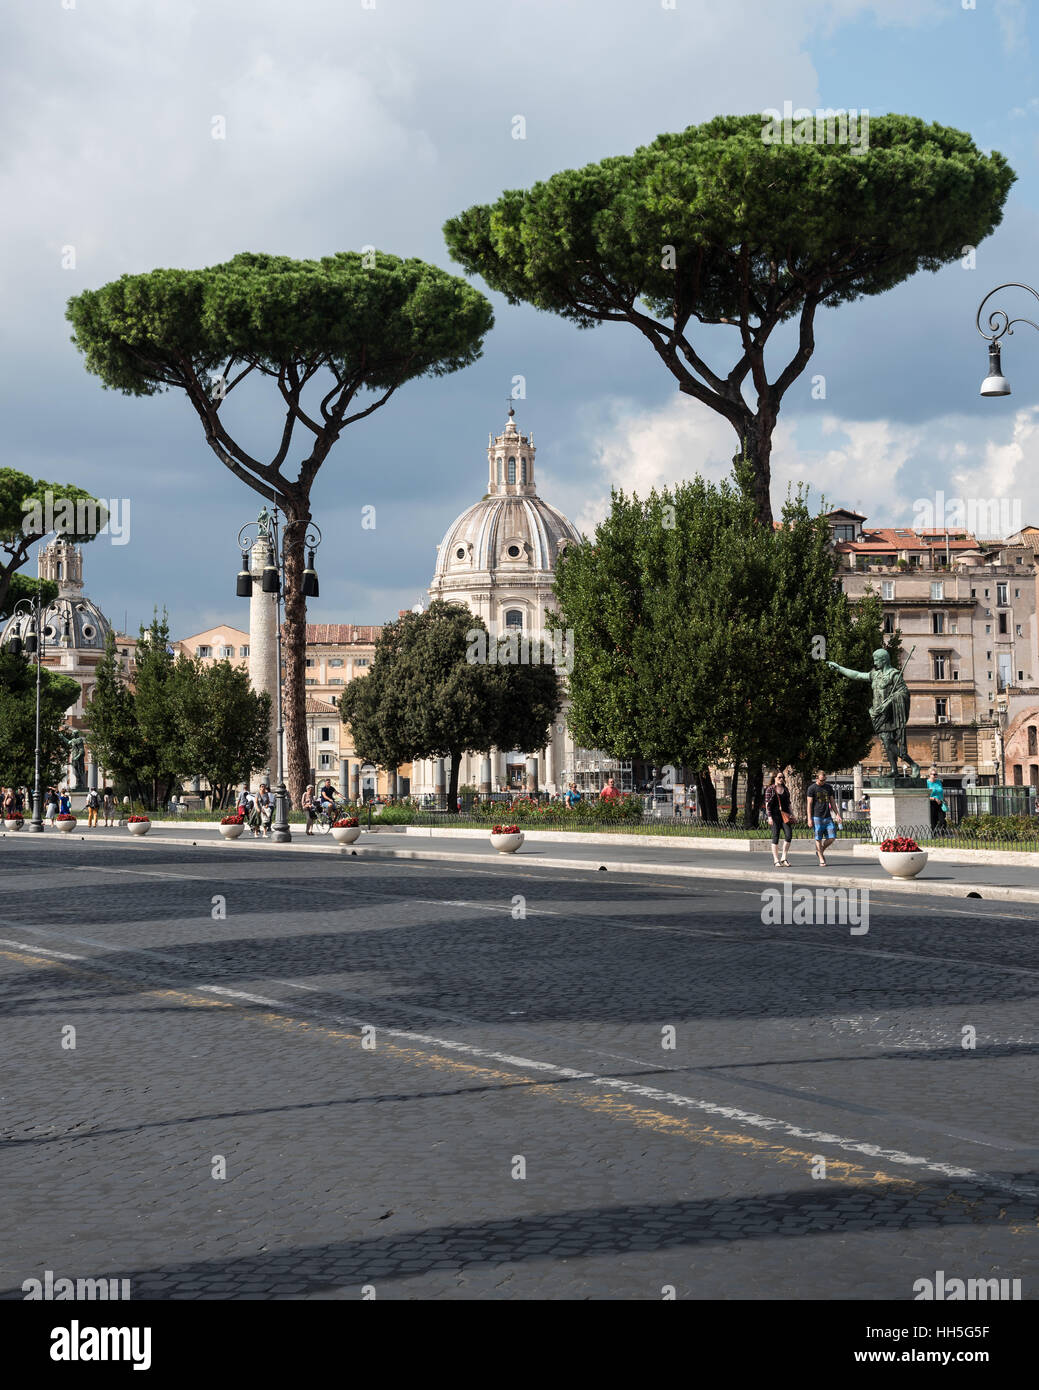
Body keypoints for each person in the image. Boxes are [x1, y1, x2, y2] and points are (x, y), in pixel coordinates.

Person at [806, 770, 842, 867]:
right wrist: (809, 819)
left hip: (827, 816)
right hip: (816, 817)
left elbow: (832, 802)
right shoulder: (812, 788)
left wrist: (837, 814)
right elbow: (809, 804)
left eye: (824, 780)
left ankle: (820, 850)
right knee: (818, 838)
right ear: (817, 778)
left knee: (832, 837)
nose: (823, 782)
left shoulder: (828, 787)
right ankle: (821, 858)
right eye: (821, 780)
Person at [763, 771, 793, 868]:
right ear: (774, 778)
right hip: (774, 816)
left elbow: (788, 803)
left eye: (782, 777)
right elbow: (767, 805)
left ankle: (784, 857)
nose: (781, 779)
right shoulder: (770, 789)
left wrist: (792, 814)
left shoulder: (785, 789)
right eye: (779, 777)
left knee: (789, 835)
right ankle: (776, 859)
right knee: (775, 836)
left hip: (784, 816)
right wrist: (769, 817)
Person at [926, 766, 948, 833]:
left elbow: (941, 792)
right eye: (934, 774)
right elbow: (925, 796)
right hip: (931, 803)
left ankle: (942, 834)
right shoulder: (927, 783)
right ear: (930, 775)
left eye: (936, 774)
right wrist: (934, 798)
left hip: (940, 803)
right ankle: (934, 834)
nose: (935, 776)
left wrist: (944, 800)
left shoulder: (939, 782)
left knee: (942, 820)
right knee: (933, 820)